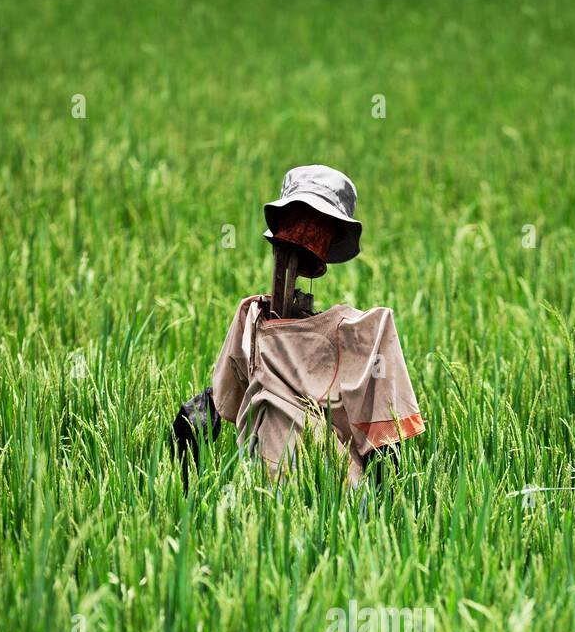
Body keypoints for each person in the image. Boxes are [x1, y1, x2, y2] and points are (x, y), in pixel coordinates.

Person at [170, 166, 424, 491]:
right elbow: (219, 401)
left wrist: (384, 500)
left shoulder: (357, 331)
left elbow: (384, 435)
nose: (304, 238)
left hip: (330, 484)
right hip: (263, 481)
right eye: (299, 221)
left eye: (316, 225)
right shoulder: (253, 318)